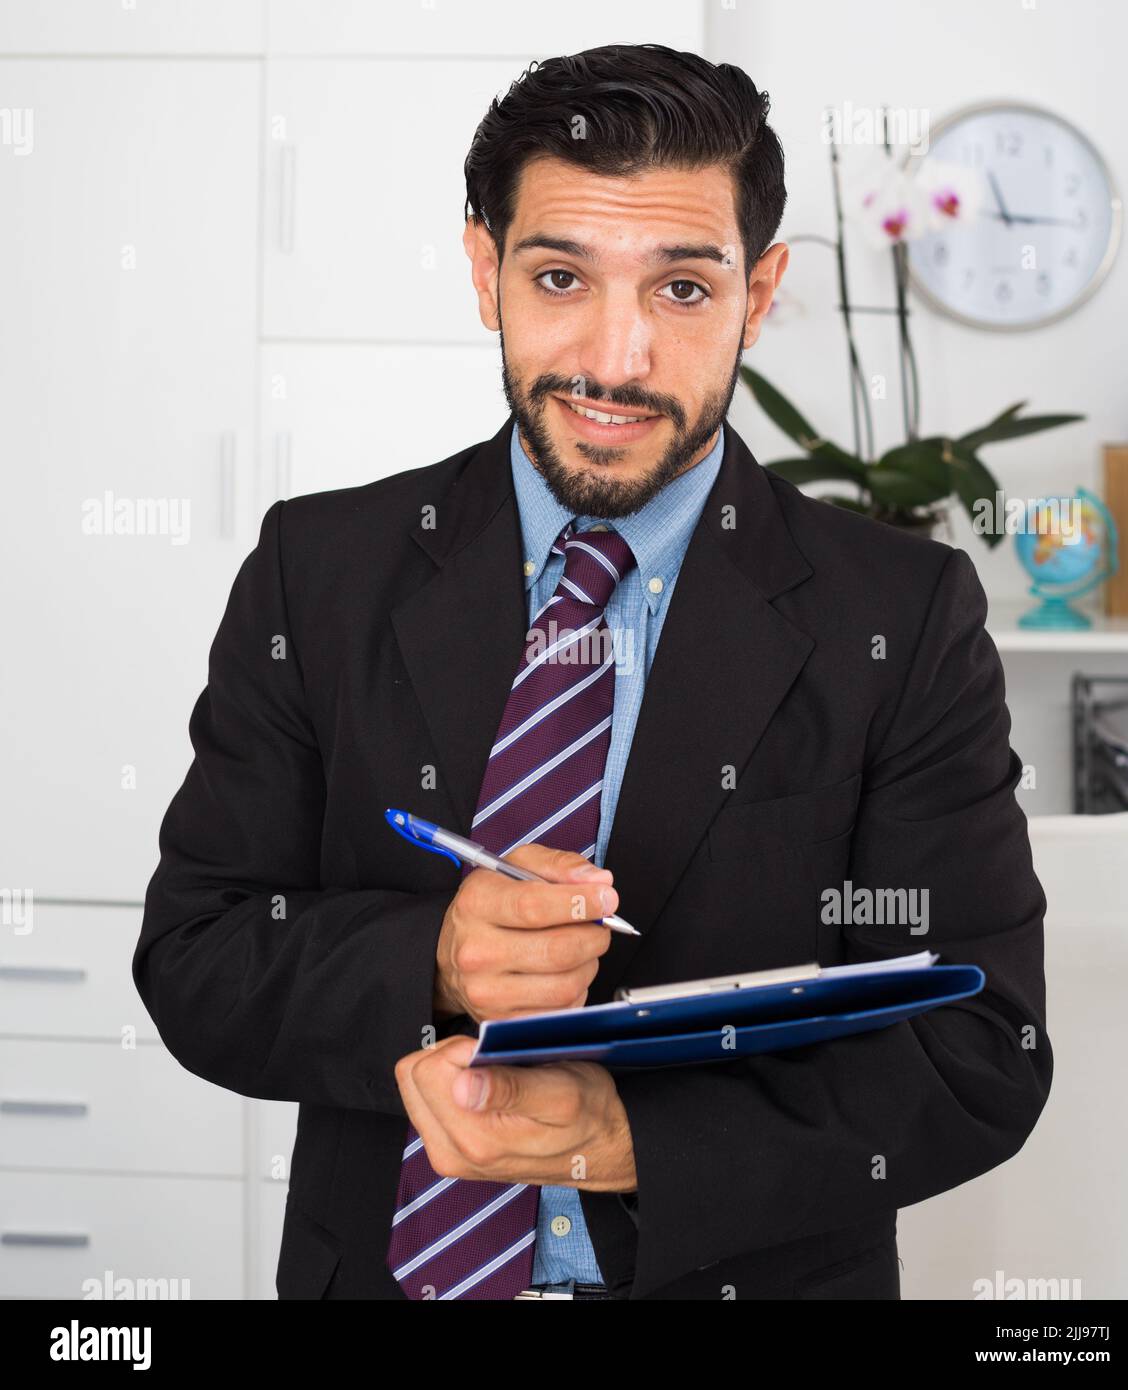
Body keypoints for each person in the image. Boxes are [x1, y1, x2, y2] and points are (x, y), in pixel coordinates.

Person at [134, 43, 1051, 1300]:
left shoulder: (901, 613)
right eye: (559, 276)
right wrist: (438, 962)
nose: (614, 362)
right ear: (482, 271)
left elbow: (976, 1043)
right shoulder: (320, 569)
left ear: (758, 290)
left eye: (681, 288)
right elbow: (198, 958)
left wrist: (625, 1139)